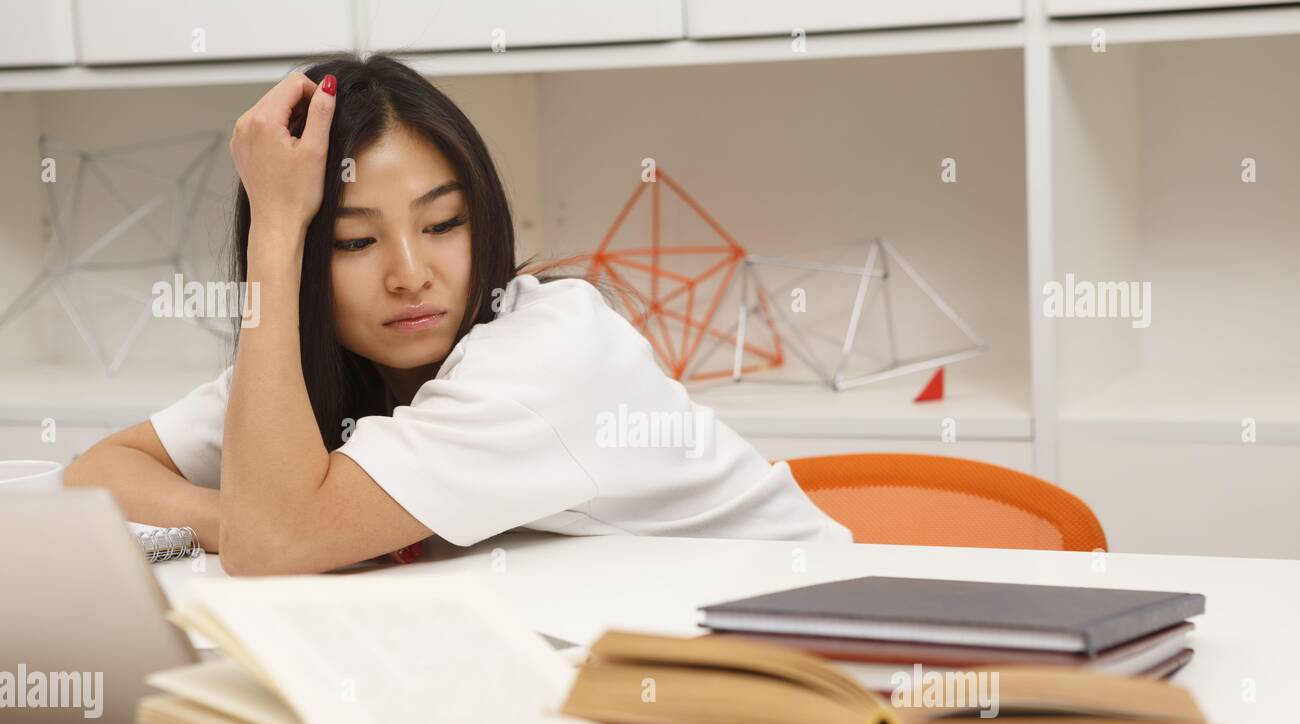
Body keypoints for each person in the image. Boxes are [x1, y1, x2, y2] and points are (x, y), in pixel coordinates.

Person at [65, 54, 851, 575]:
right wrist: (234, 516)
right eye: (354, 241)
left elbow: (275, 542)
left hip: (813, 656)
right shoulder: (314, 369)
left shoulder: (550, 352)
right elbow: (97, 474)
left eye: (443, 225)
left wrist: (276, 230)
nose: (411, 275)